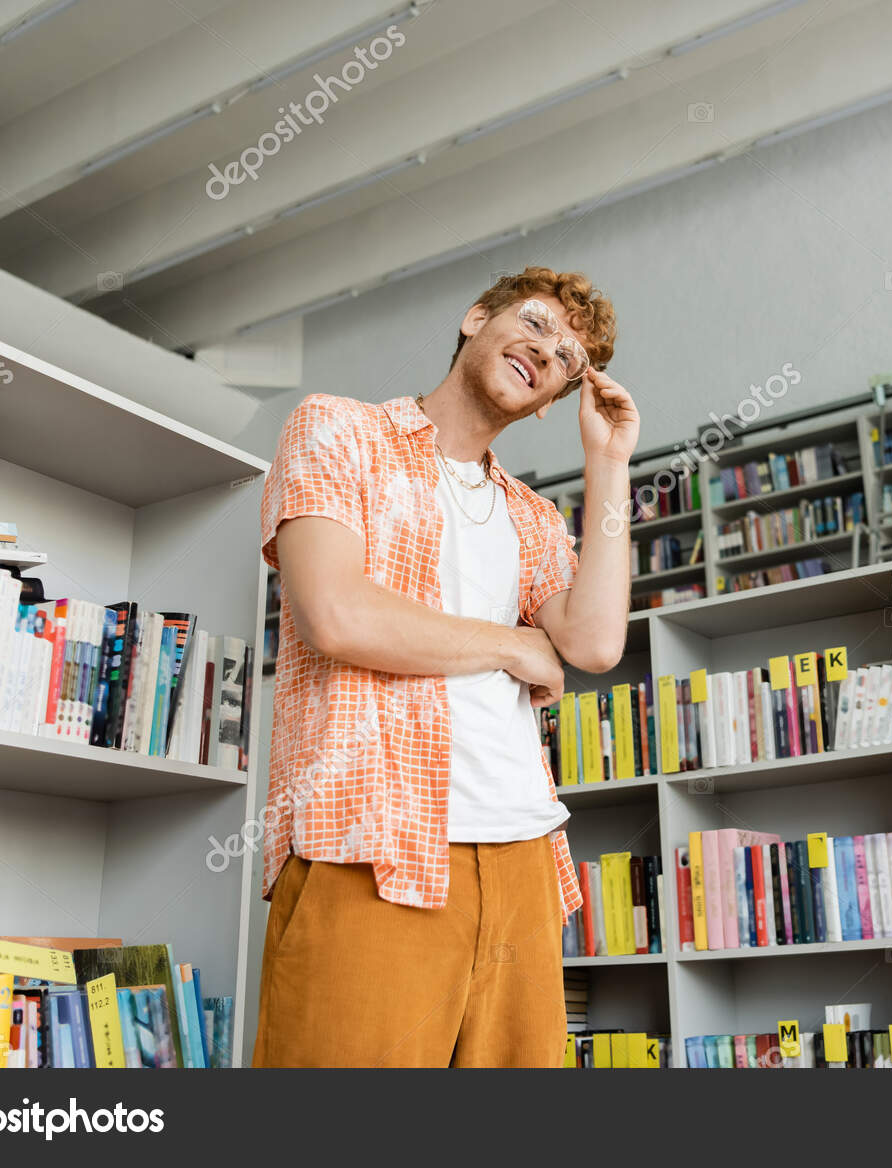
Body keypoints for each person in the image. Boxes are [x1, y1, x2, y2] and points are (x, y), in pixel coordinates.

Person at [251, 266, 637, 1066]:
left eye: (568, 358)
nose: (547, 352)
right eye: (534, 325)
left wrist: (609, 464)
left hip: (525, 857)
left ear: (551, 400)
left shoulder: (530, 516)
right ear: (475, 317)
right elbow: (336, 616)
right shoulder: (337, 431)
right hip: (370, 844)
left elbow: (596, 642)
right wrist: (511, 644)